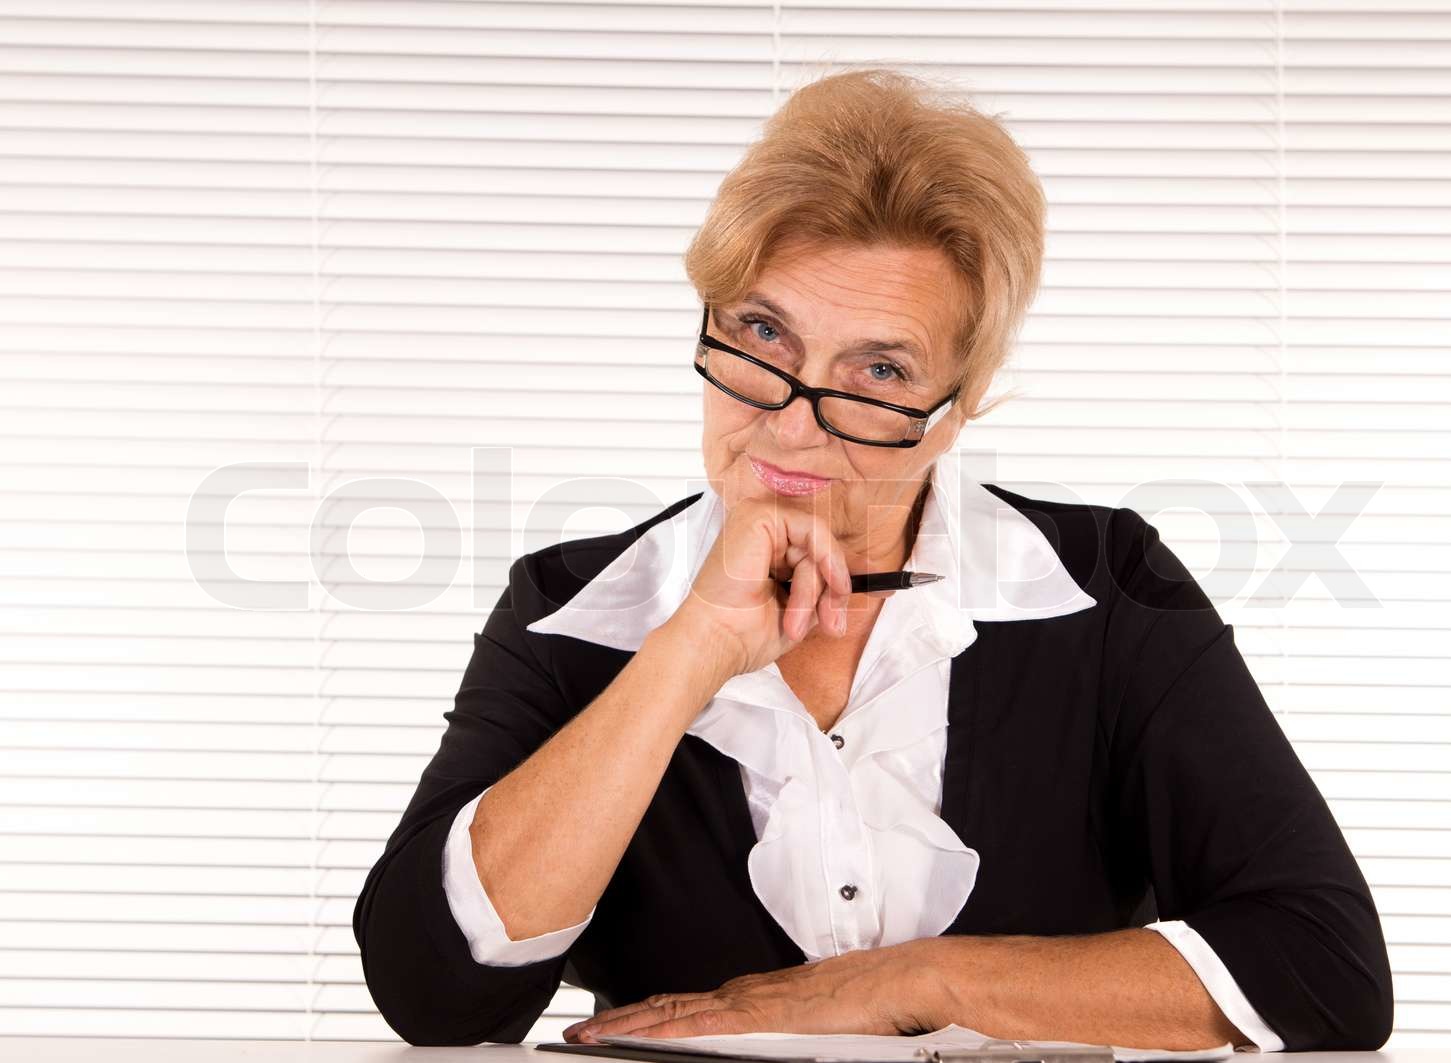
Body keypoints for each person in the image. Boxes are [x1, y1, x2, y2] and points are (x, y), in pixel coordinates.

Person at [353, 67, 1393, 1053]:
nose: (793, 425)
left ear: (957, 408)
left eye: (879, 370)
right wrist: (687, 652)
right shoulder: (572, 605)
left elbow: (1322, 965)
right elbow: (432, 993)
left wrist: (911, 982)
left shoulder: (1108, 585)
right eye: (760, 333)